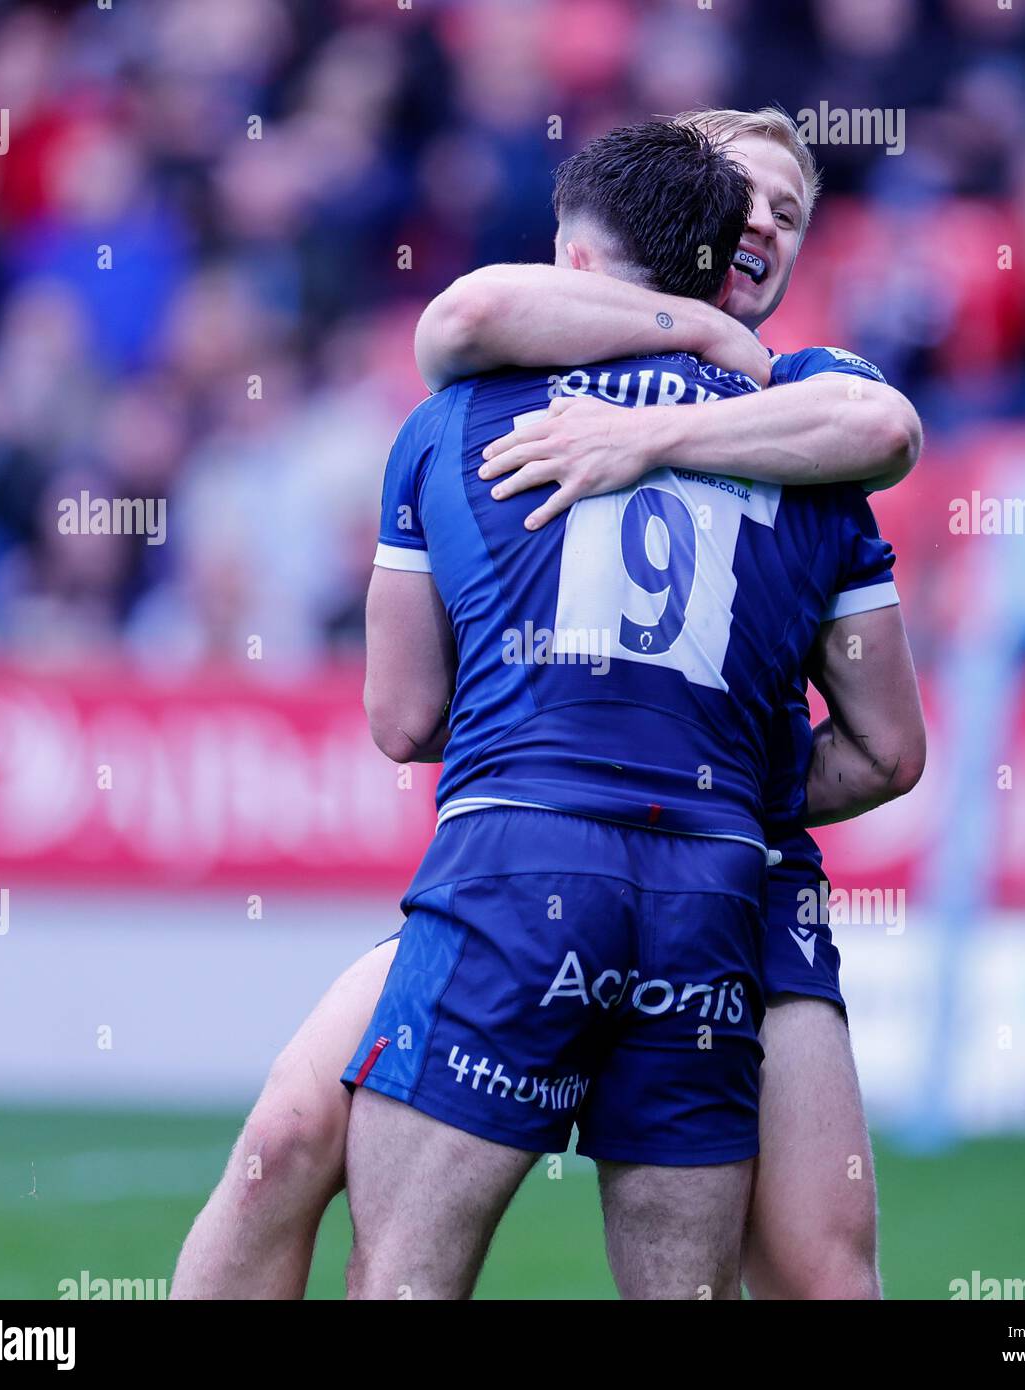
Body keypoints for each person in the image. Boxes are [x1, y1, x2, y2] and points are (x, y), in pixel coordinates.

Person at [171, 108, 924, 1301]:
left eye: (790, 212)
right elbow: (468, 314)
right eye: (739, 198)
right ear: (681, 216)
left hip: (693, 857)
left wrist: (648, 439)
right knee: (280, 1148)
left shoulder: (804, 394)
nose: (761, 224)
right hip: (620, 854)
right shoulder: (527, 353)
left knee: (814, 1264)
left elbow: (884, 430)